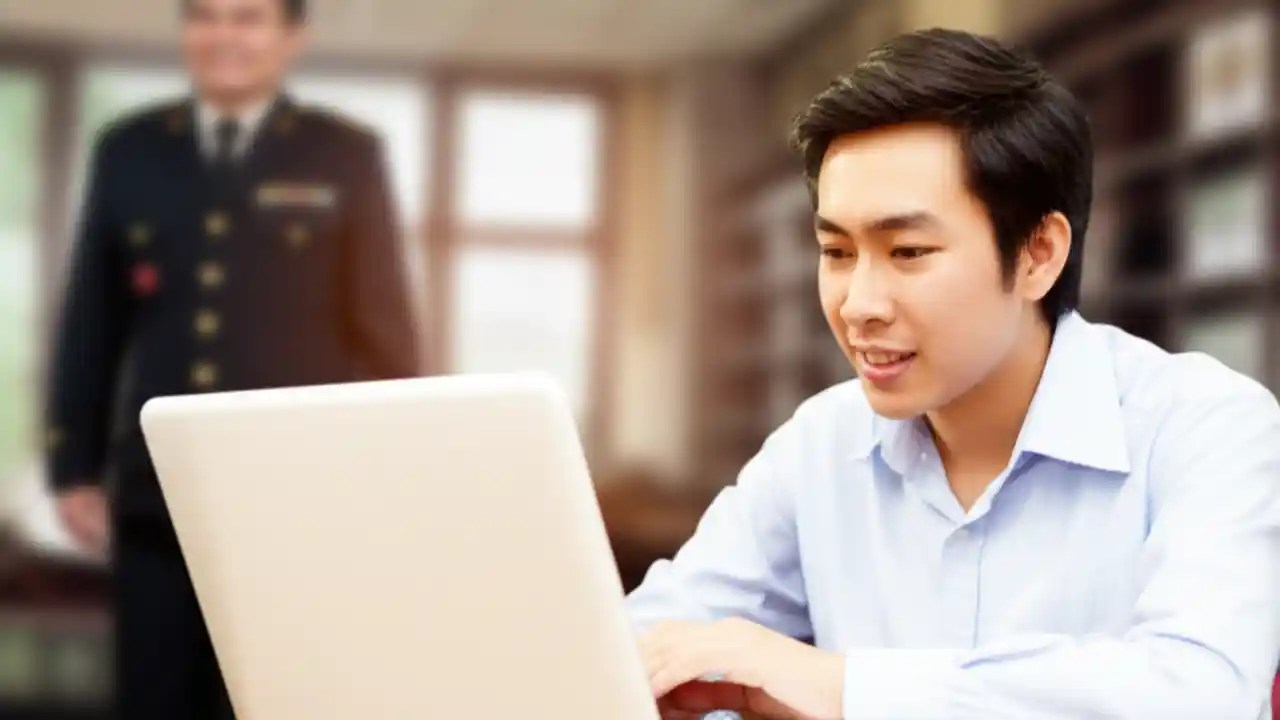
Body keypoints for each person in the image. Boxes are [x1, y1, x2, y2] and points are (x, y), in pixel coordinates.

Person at [628, 28, 1280, 719]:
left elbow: (1200, 693)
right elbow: (646, 646)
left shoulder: (1209, 425)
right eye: (837, 251)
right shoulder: (820, 443)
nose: (858, 305)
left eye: (907, 251)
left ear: (1038, 253)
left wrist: (843, 689)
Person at [44, 0, 418, 716]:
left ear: (291, 37)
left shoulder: (344, 152)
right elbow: (92, 319)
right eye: (205, 17)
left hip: (297, 491)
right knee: (154, 696)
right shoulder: (129, 149)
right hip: (157, 493)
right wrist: (74, 467)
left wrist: (383, 474)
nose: (224, 37)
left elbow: (384, 331)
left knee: (282, 698)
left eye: (248, 18)